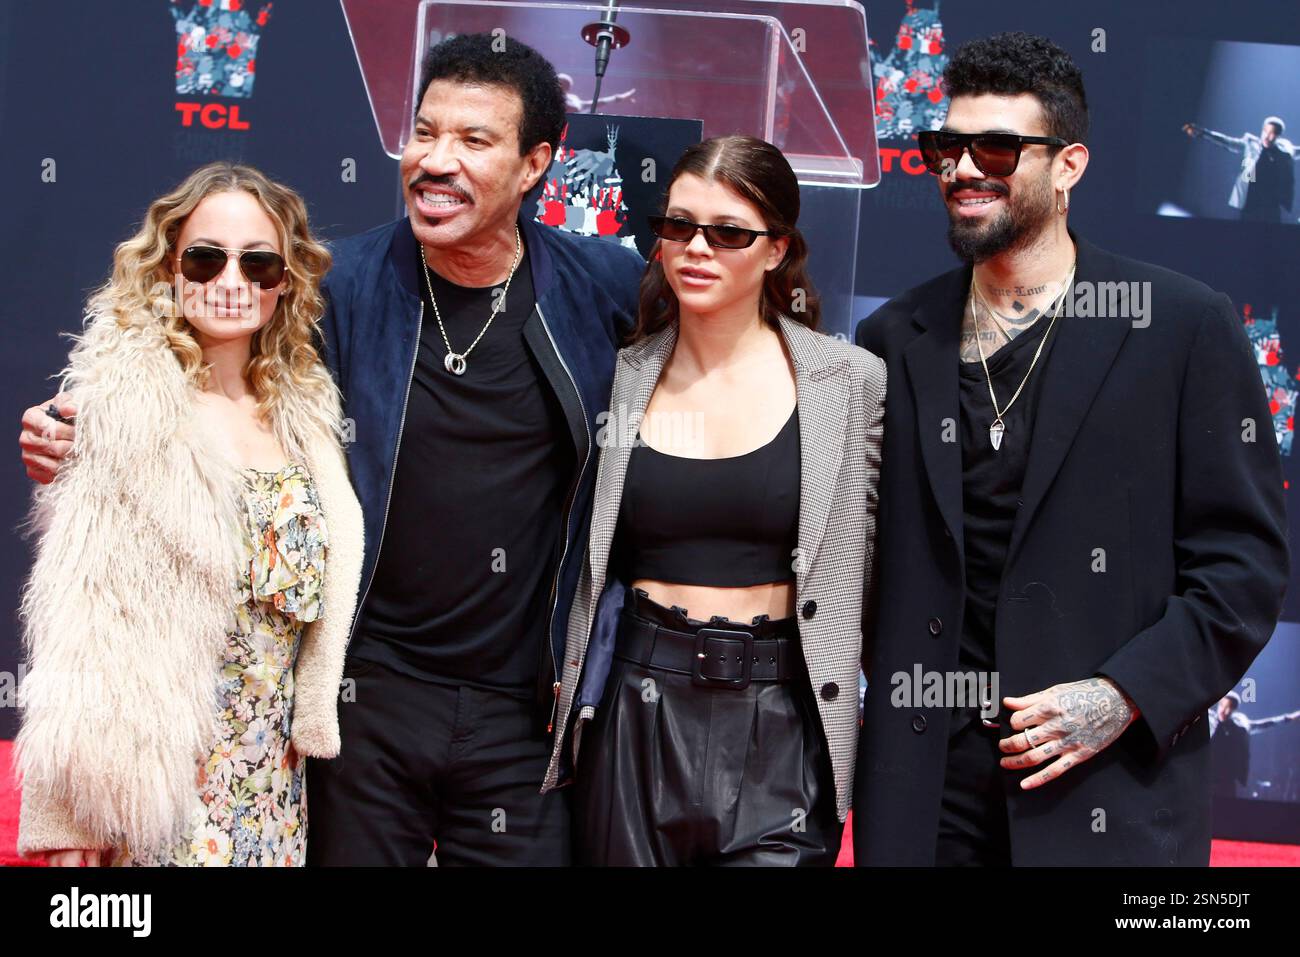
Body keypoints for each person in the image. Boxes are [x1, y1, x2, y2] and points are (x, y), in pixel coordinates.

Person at [20, 33, 646, 866]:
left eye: (473, 140)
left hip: (520, 718)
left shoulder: (602, 288)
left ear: (536, 165)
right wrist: (89, 420)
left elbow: (724, 354)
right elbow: (197, 350)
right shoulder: (337, 289)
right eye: (425, 132)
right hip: (360, 707)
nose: (436, 160)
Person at [854, 32, 1288, 866]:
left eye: (996, 148)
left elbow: (1244, 565)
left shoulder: (1180, 326)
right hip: (923, 795)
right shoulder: (892, 335)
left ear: (1069, 166)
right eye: (947, 146)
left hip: (1106, 790)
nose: (961, 169)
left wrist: (1124, 694)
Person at [541, 135, 886, 865]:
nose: (696, 248)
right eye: (677, 226)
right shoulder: (620, 374)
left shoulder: (849, 382)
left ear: (775, 250)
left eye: (727, 232)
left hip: (782, 716)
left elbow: (888, 564)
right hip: (634, 707)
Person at [14, 162, 364, 866]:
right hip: (158, 786)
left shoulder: (306, 418)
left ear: (284, 280)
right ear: (170, 268)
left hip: (272, 784)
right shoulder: (120, 408)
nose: (231, 282)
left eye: (258, 263)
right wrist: (69, 819)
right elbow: (79, 621)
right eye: (206, 259)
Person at [1183, 116, 1297, 222]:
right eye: (1265, 131)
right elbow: (1227, 141)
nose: (1267, 136)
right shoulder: (1251, 144)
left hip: (1271, 203)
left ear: (1278, 136)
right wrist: (1204, 133)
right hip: (1251, 200)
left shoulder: (1284, 152)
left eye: (1272, 133)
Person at [1209, 692, 1300, 798]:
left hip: (1226, 778)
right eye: (1222, 705)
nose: (1223, 711)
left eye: (1228, 707)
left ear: (1234, 710)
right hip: (1205, 775)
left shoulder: (1240, 727)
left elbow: (1267, 723)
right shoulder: (1208, 718)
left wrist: (1290, 717)